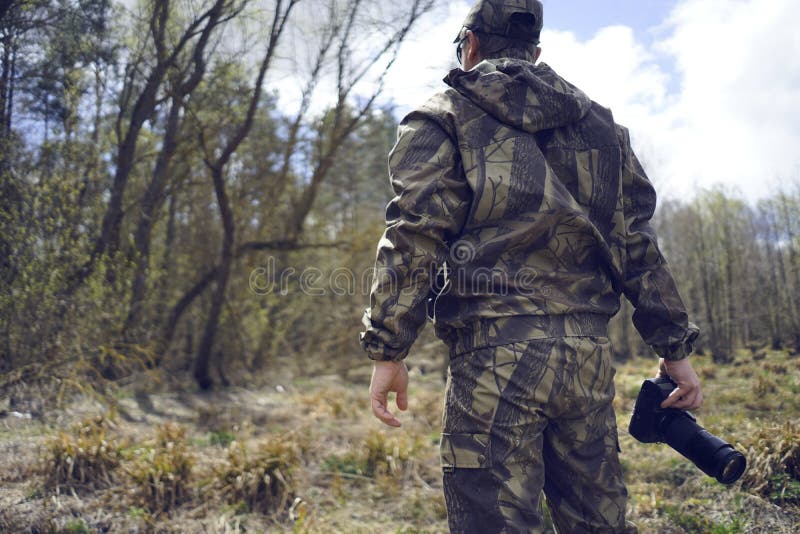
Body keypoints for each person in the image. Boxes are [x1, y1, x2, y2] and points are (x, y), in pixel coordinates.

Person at [359, 0, 703, 532]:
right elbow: (635, 243)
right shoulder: (604, 131)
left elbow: (414, 238)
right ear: (536, 53)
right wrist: (674, 347)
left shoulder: (443, 117)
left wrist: (388, 349)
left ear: (469, 45)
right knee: (598, 523)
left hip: (494, 360)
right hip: (586, 361)